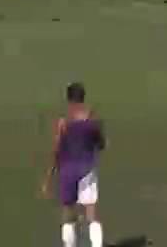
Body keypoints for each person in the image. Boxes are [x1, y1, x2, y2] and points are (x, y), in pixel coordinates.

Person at [42, 82, 106, 247]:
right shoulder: (92, 120)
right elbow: (101, 144)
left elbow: (56, 151)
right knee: (91, 212)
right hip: (86, 169)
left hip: (67, 171)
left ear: (68, 99)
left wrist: (48, 179)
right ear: (83, 97)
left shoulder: (63, 122)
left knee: (68, 214)